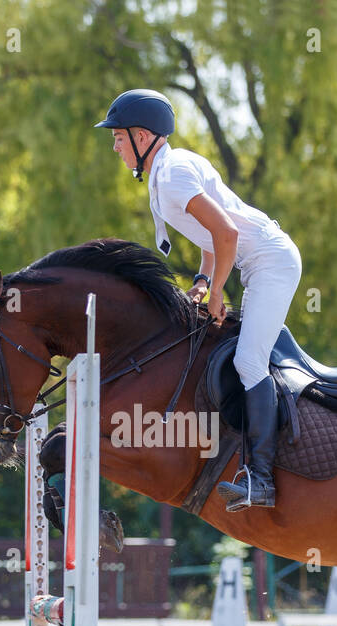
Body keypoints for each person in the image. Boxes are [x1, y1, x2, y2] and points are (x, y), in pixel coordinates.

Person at [95, 89, 302, 511]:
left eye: (118, 138)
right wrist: (205, 281)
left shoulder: (172, 176)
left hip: (271, 262)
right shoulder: (168, 170)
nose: (115, 147)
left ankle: (261, 479)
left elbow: (225, 234)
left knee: (248, 362)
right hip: (255, 262)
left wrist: (220, 289)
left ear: (140, 136)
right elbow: (212, 239)